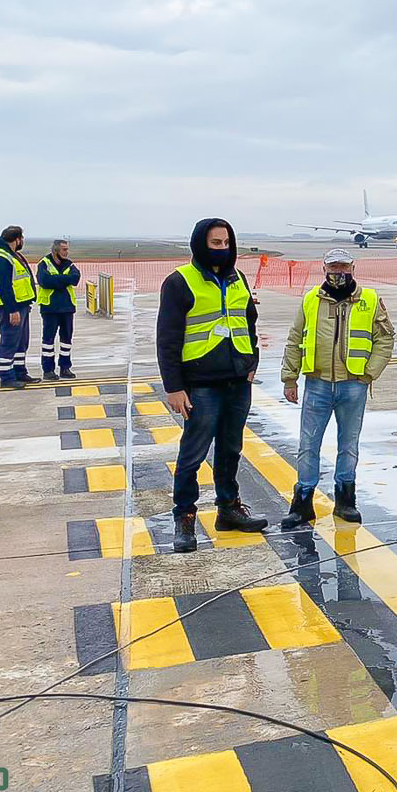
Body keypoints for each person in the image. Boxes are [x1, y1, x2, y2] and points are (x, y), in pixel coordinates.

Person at [156, 218, 269, 553]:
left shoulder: (238, 279)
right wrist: (174, 387)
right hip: (200, 384)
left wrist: (252, 362)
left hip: (238, 381)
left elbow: (248, 322)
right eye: (215, 243)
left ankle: (229, 508)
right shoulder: (180, 282)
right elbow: (167, 338)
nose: (221, 249)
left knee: (231, 449)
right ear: (199, 244)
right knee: (193, 453)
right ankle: (185, 517)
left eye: (225, 243)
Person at [280, 248, 395, 528]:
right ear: (324, 269)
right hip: (317, 383)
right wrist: (289, 378)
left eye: (344, 267)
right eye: (334, 267)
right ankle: (303, 502)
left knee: (348, 445)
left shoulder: (369, 300)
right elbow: (295, 338)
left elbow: (385, 338)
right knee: (308, 446)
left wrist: (369, 373)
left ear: (353, 269)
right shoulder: (311, 300)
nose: (339, 273)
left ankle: (345, 500)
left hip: (352, 385)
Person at [0, 225, 37, 389]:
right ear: (17, 239)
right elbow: (4, 287)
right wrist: (12, 310)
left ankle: (20, 371)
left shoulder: (10, 255)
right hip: (9, 307)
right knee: (9, 341)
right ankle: (6, 376)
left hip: (21, 304)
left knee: (21, 342)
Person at [36, 238, 82, 380]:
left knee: (66, 340)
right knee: (48, 340)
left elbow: (75, 278)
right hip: (50, 308)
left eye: (67, 249)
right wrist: (64, 279)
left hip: (67, 308)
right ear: (56, 250)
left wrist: (56, 280)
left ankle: (65, 367)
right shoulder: (44, 263)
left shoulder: (69, 264)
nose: (67, 252)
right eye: (64, 249)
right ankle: (48, 370)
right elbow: (44, 281)